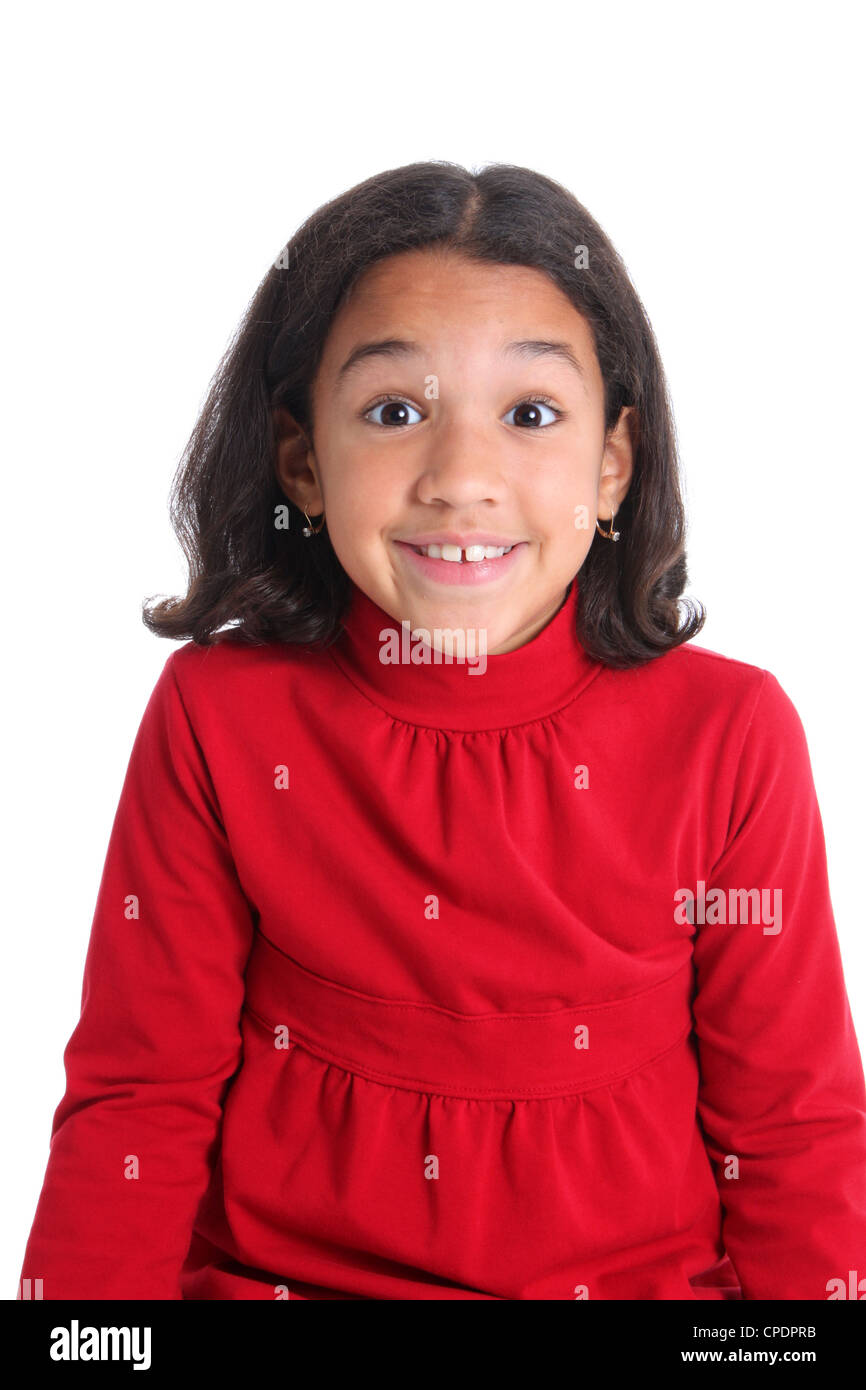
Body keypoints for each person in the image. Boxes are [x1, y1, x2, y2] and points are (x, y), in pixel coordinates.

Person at [18, 161, 866, 1300]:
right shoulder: (217, 718)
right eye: (394, 412)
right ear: (303, 464)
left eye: (529, 414)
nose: (460, 480)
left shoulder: (730, 735)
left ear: (609, 465)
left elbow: (792, 1130)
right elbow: (140, 1096)